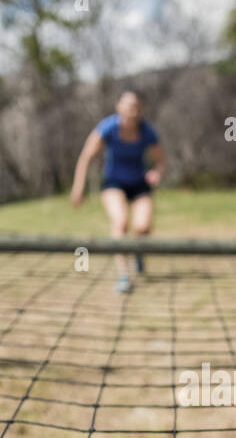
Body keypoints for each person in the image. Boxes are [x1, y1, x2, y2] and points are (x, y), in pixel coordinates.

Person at [70, 89, 166, 293]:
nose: (133, 111)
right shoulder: (108, 128)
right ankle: (124, 276)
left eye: (137, 107)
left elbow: (160, 161)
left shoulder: (147, 131)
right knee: (121, 222)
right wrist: (79, 186)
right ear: (119, 106)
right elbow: (86, 156)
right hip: (114, 183)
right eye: (129, 106)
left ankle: (139, 252)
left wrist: (156, 173)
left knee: (142, 227)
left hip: (140, 185)